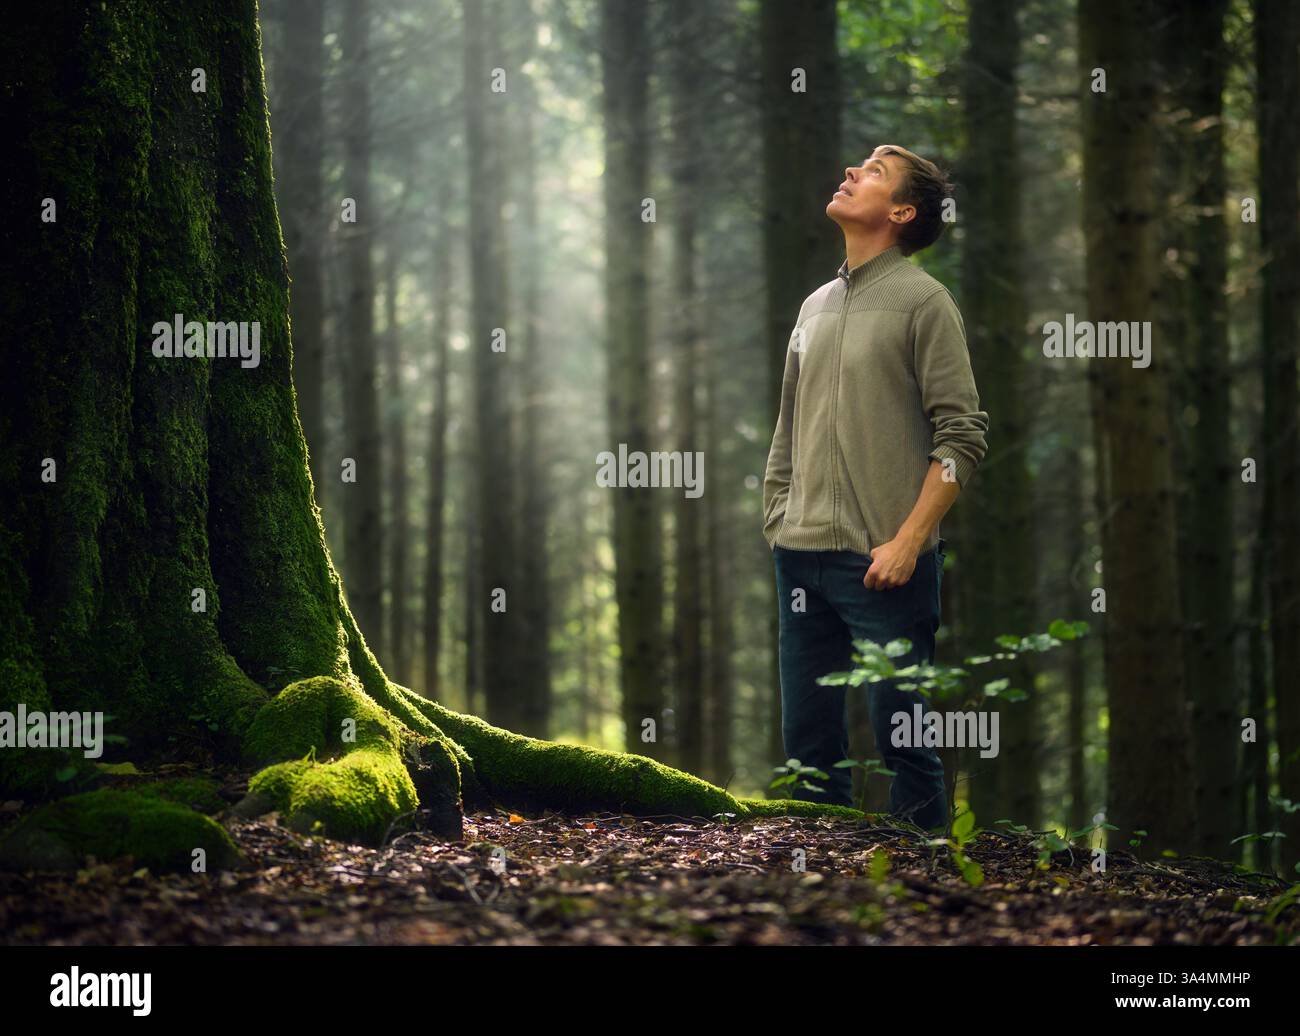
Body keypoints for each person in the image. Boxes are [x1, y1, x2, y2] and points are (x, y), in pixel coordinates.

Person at [762, 144, 989, 831]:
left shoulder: (925, 301)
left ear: (901, 212)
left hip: (887, 565)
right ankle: (824, 891)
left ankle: (923, 892)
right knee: (809, 746)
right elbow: (787, 424)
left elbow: (963, 437)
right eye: (858, 164)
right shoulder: (814, 305)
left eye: (875, 172)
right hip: (799, 556)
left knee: (906, 743)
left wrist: (910, 542)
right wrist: (778, 513)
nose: (852, 171)